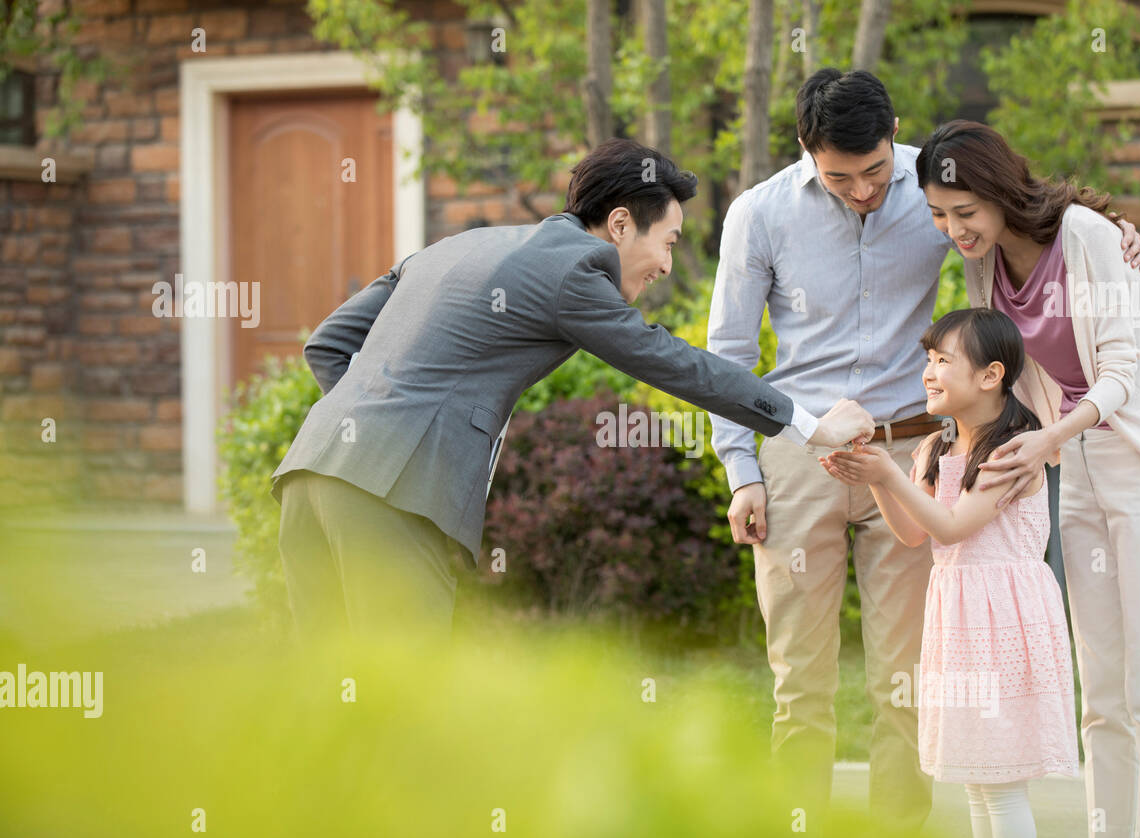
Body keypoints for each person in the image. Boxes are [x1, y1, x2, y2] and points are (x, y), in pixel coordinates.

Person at [706, 68, 1140, 829]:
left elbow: (1027, 215)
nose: (864, 190)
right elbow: (728, 353)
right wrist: (741, 471)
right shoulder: (760, 213)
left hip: (913, 460)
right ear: (805, 149)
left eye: (876, 170)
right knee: (798, 682)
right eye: (840, 177)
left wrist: (1113, 229)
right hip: (797, 457)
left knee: (906, 680)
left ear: (894, 137)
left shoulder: (936, 191)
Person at [270, 138, 876, 645]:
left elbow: (329, 343)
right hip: (394, 495)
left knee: (332, 696)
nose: (667, 265)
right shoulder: (577, 268)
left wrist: (365, 435)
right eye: (668, 241)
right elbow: (675, 363)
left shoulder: (455, 245)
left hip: (309, 476)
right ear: (619, 224)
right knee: (401, 697)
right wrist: (810, 424)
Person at [917, 119, 1140, 838]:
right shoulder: (985, 271)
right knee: (1101, 691)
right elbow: (1003, 377)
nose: (954, 230)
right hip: (1077, 473)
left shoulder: (1086, 236)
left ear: (997, 191)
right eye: (938, 216)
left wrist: (1049, 437)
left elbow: (1118, 368)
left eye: (964, 212)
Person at [820, 307, 1078, 838]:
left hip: (1004, 621)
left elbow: (956, 525)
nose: (928, 373)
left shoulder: (1015, 450)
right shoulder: (935, 449)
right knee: (977, 783)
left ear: (990, 376)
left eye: (943, 361)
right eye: (928, 360)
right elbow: (915, 533)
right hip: (958, 620)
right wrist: (877, 475)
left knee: (1002, 783)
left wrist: (886, 475)